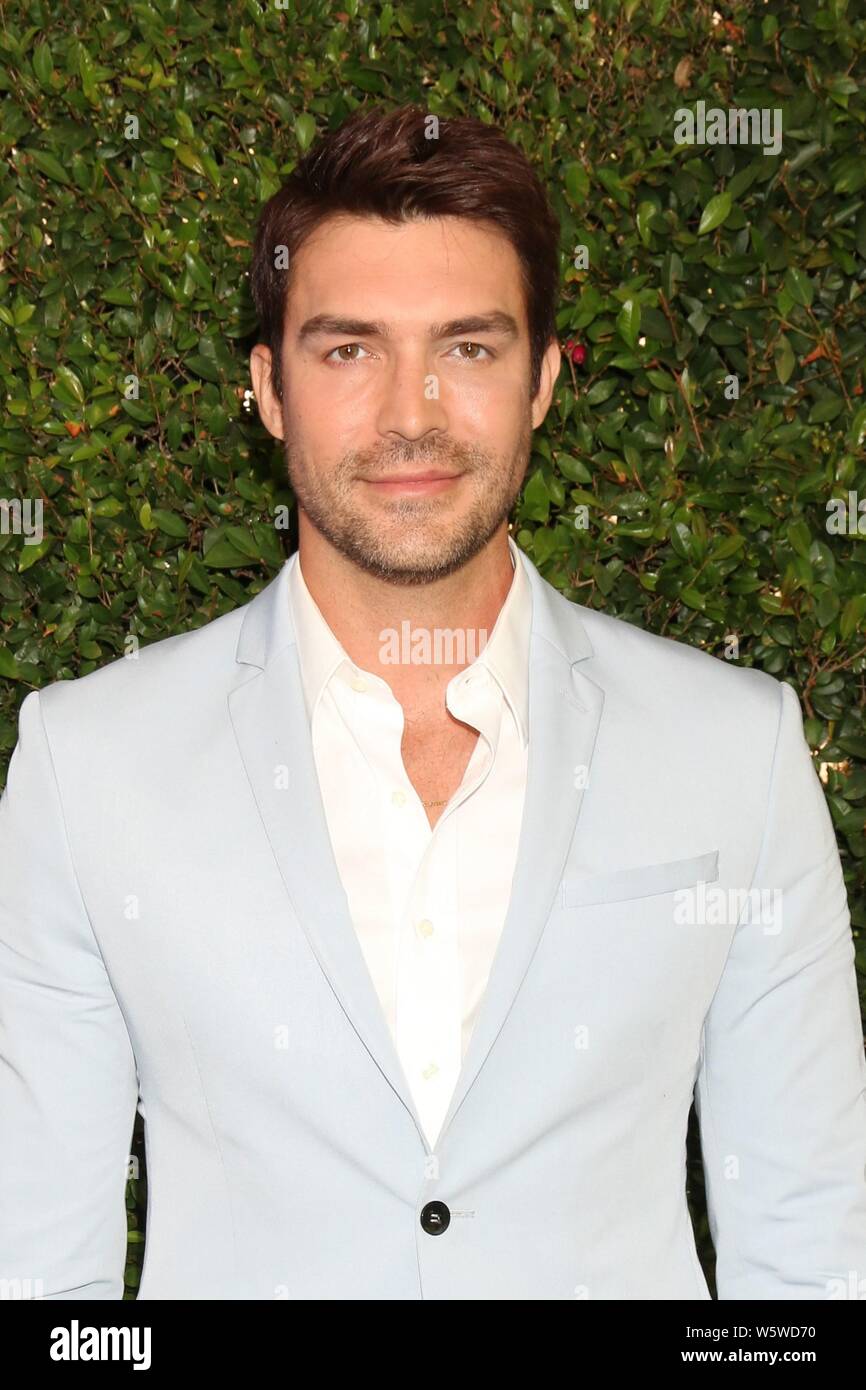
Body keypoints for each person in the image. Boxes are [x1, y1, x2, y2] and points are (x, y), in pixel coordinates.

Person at [1, 104, 864, 1301]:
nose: (411, 414)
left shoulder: (734, 746)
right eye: (348, 349)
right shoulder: (86, 762)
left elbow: (811, 1244)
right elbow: (41, 1280)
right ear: (267, 388)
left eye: (467, 347)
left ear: (544, 382)